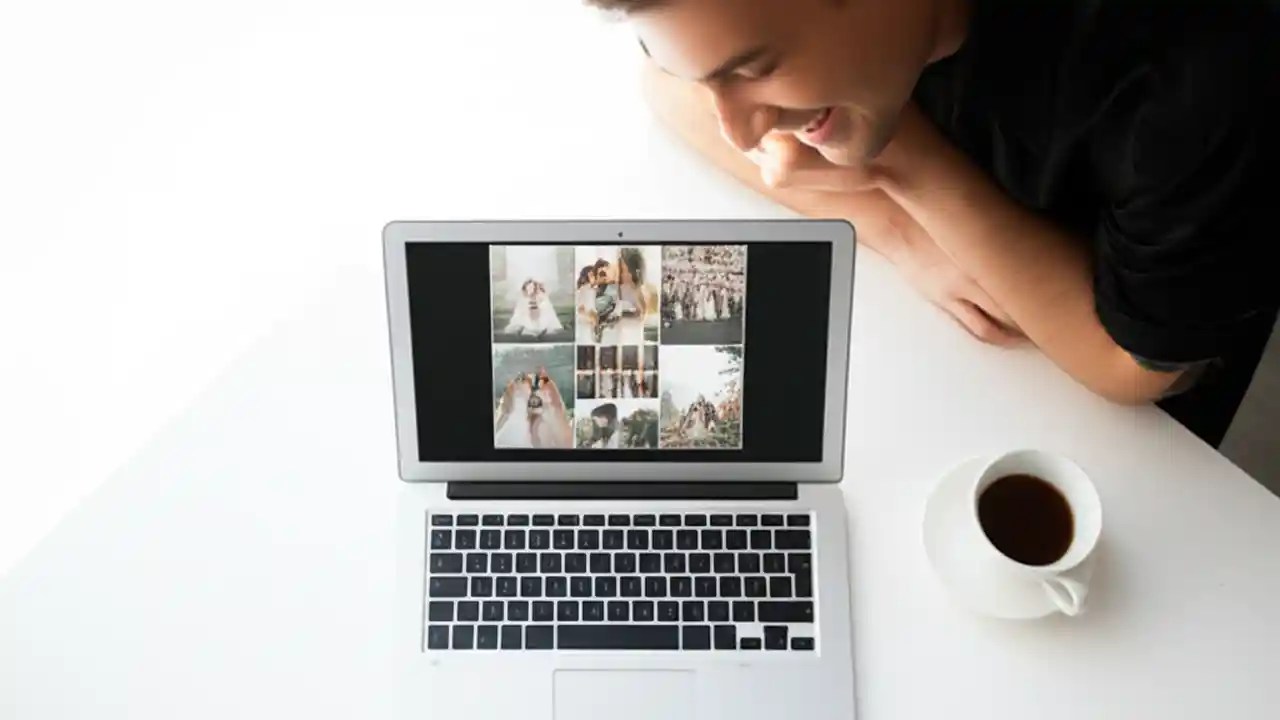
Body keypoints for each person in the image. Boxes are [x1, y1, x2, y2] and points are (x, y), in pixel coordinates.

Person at [588, 0, 1280, 447]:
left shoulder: (1198, 82)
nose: (740, 132)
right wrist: (895, 227)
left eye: (754, 69)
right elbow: (662, 86)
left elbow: (1140, 370)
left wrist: (903, 163)